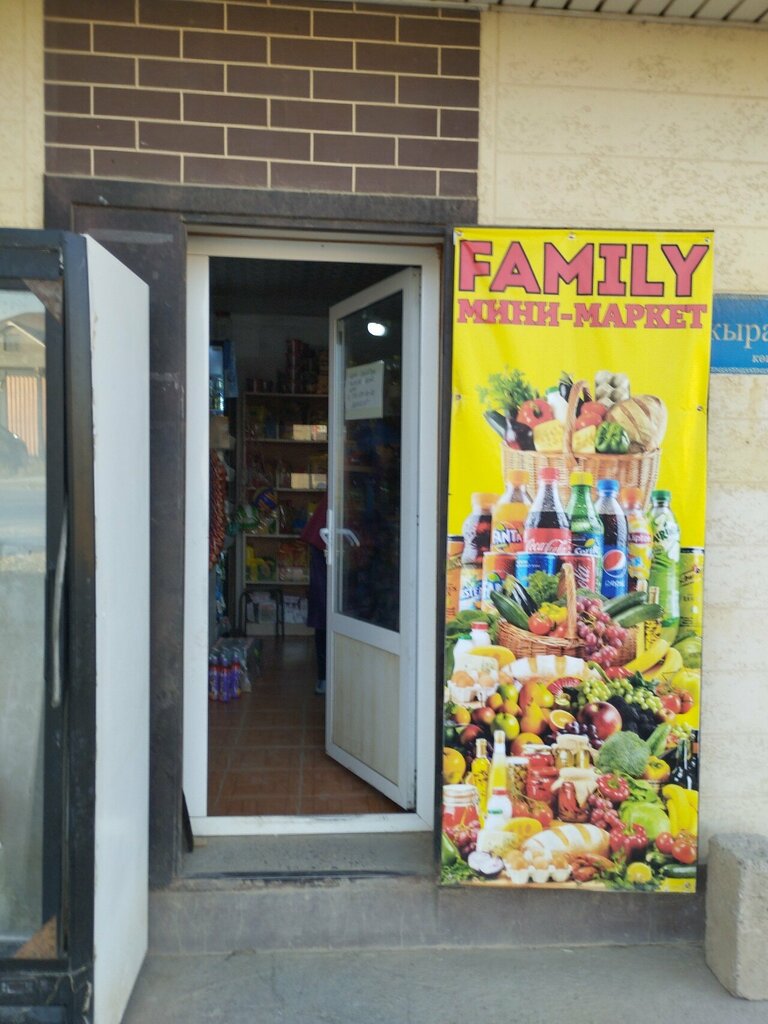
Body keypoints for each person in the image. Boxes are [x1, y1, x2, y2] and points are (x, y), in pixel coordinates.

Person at [300, 493, 327, 695]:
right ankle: (324, 677)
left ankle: (324, 677)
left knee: (323, 609)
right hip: (324, 543)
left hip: (323, 540)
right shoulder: (352, 482)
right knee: (324, 609)